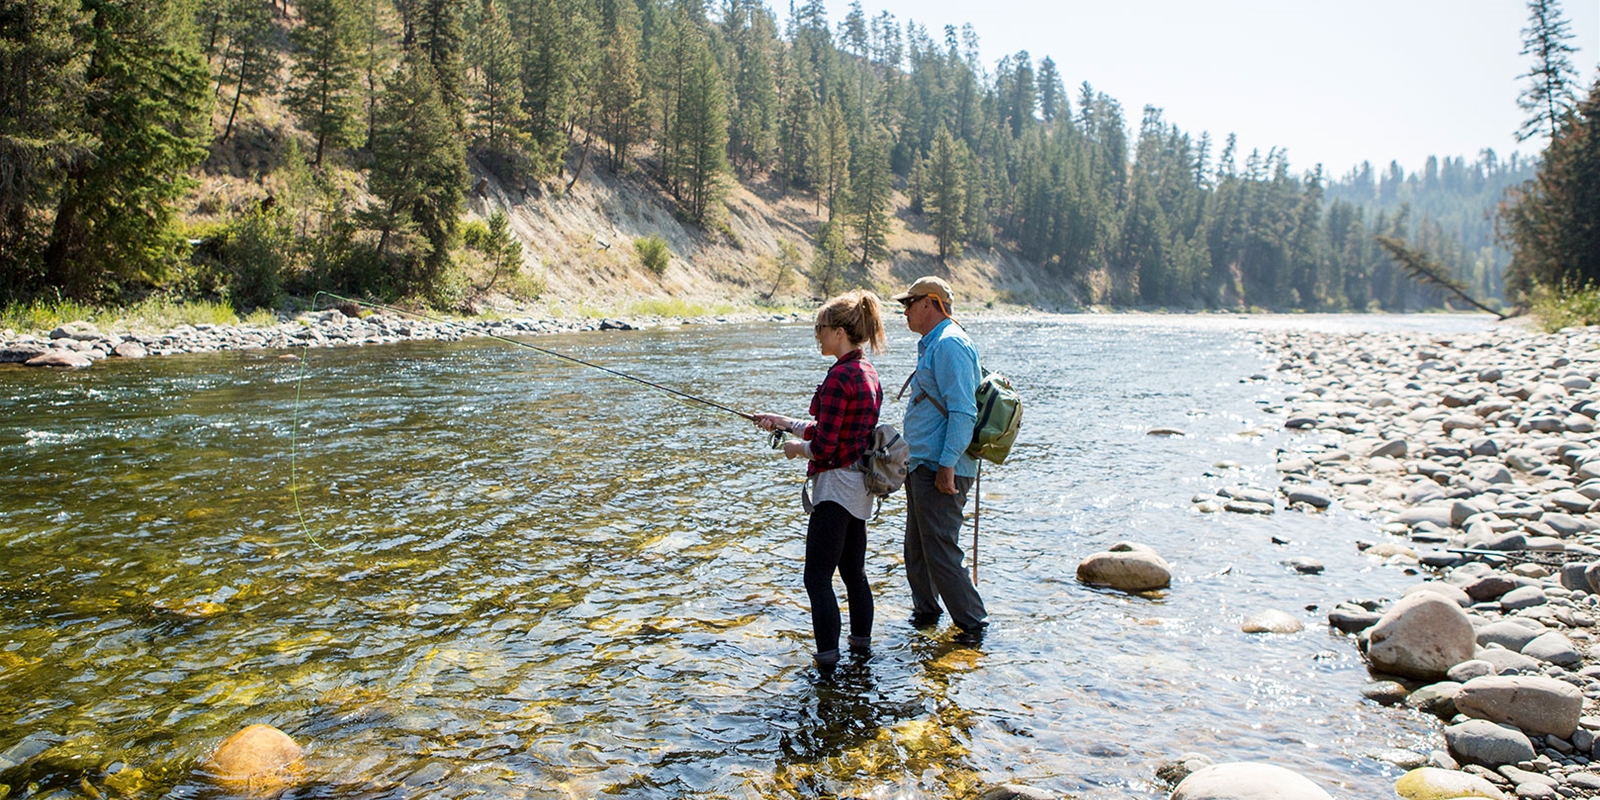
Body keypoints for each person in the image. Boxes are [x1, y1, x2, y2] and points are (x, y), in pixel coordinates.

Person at [753, 291, 886, 671]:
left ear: (840, 332)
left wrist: (796, 448)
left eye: (821, 329)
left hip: (835, 492)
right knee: (854, 574)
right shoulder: (866, 372)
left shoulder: (839, 376)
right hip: (859, 488)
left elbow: (825, 444)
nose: (817, 335)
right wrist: (782, 421)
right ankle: (861, 651)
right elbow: (836, 429)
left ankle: (827, 662)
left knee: (816, 578)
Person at [893, 276, 988, 643]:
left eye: (909, 303)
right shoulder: (934, 343)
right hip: (924, 466)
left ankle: (973, 626)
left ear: (930, 303)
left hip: (941, 468)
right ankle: (926, 617)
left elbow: (963, 412)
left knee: (942, 551)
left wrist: (948, 465)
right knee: (918, 550)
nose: (905, 311)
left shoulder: (950, 345)